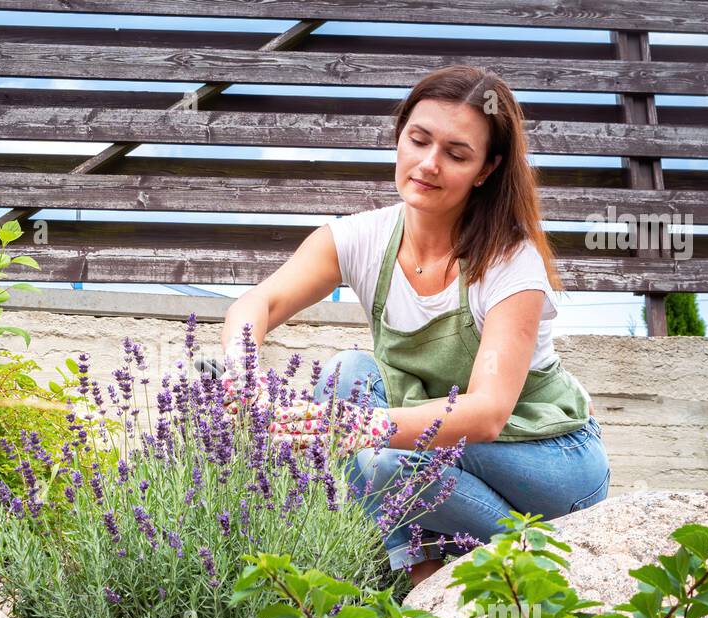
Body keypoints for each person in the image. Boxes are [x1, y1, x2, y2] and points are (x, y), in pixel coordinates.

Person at [213, 65, 611, 585]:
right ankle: (421, 585)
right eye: (418, 140)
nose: (428, 164)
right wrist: (241, 374)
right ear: (399, 136)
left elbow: (488, 414)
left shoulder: (511, 262)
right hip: (452, 451)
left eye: (456, 154)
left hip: (548, 462)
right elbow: (258, 302)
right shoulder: (360, 238)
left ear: (486, 169)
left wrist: (344, 427)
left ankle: (550, 559)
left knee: (378, 461)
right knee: (347, 373)